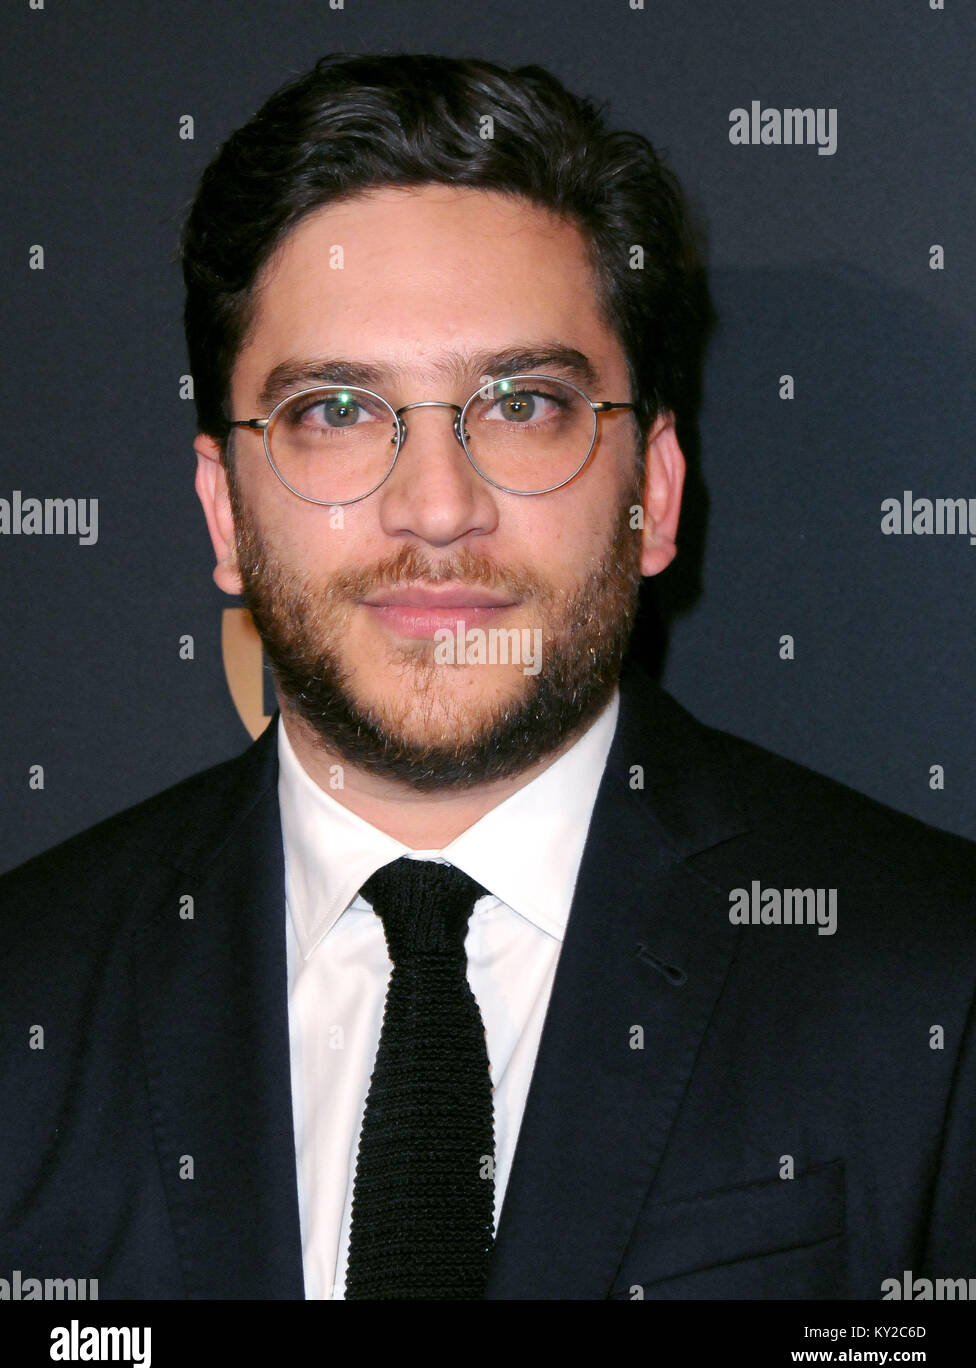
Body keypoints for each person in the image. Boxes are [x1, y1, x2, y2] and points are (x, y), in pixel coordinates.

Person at [1, 52, 974, 1303]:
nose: (438, 508)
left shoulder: (928, 988)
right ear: (224, 513)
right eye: (338, 410)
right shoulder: (27, 1000)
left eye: (520, 403)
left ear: (654, 494)